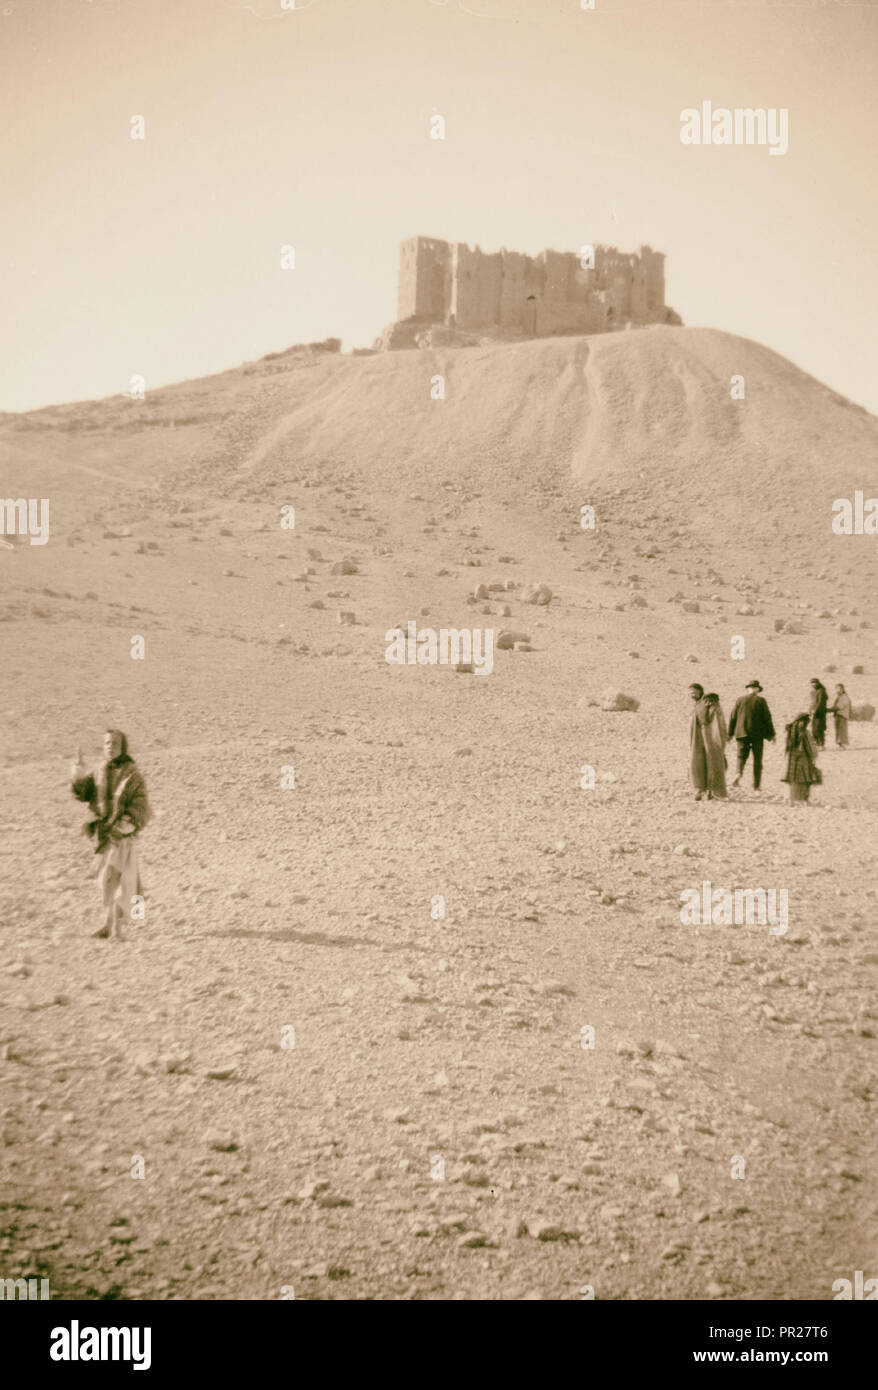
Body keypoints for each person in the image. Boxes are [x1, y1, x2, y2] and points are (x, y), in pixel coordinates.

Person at [71, 730, 151, 939]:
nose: (110, 746)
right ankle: (109, 924)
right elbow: (83, 793)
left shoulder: (133, 774)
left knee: (121, 881)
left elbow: (141, 804)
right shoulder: (100, 771)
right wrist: (78, 768)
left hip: (122, 837)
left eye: (114, 743)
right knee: (105, 881)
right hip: (104, 835)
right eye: (107, 743)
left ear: (122, 747)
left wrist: (127, 823)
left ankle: (116, 927)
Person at [728, 679, 776, 792]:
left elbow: (733, 717)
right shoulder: (761, 701)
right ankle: (756, 785)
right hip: (757, 734)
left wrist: (729, 734)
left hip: (741, 733)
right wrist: (771, 734)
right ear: (758, 690)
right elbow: (767, 718)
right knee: (757, 760)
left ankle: (738, 774)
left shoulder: (740, 700)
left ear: (747, 689)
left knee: (741, 756)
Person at [781, 712, 821, 803]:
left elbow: (788, 746)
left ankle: (792, 799)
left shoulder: (790, 731)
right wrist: (814, 756)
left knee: (794, 778)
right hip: (803, 757)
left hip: (793, 758)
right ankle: (803, 799)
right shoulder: (804, 732)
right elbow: (810, 746)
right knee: (807, 778)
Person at [702, 692, 728, 799]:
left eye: (710, 701)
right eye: (707, 701)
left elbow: (720, 728)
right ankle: (710, 792)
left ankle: (712, 792)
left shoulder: (716, 710)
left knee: (713, 767)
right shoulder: (710, 710)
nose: (708, 703)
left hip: (714, 744)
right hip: (711, 744)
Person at [688, 683, 709, 800]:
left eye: (693, 692)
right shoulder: (697, 704)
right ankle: (703, 789)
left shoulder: (703, 704)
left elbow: (705, 721)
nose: (691, 695)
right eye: (690, 693)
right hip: (696, 740)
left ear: (700, 691)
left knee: (699, 764)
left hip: (701, 741)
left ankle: (700, 790)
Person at [827, 683, 852, 748]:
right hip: (837, 715)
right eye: (837, 688)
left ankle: (843, 744)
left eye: (840, 688)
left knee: (842, 730)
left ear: (843, 689)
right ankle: (839, 744)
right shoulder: (838, 697)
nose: (839, 690)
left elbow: (838, 707)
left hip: (842, 715)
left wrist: (827, 710)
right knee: (837, 729)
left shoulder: (845, 697)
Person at [809, 679, 828, 747]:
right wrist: (810, 711)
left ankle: (822, 745)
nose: (813, 684)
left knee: (819, 729)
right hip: (814, 714)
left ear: (818, 683)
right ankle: (817, 744)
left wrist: (815, 711)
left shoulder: (821, 691)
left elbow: (820, 703)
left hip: (820, 714)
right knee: (814, 730)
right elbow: (812, 703)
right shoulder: (814, 692)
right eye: (812, 683)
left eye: (814, 683)